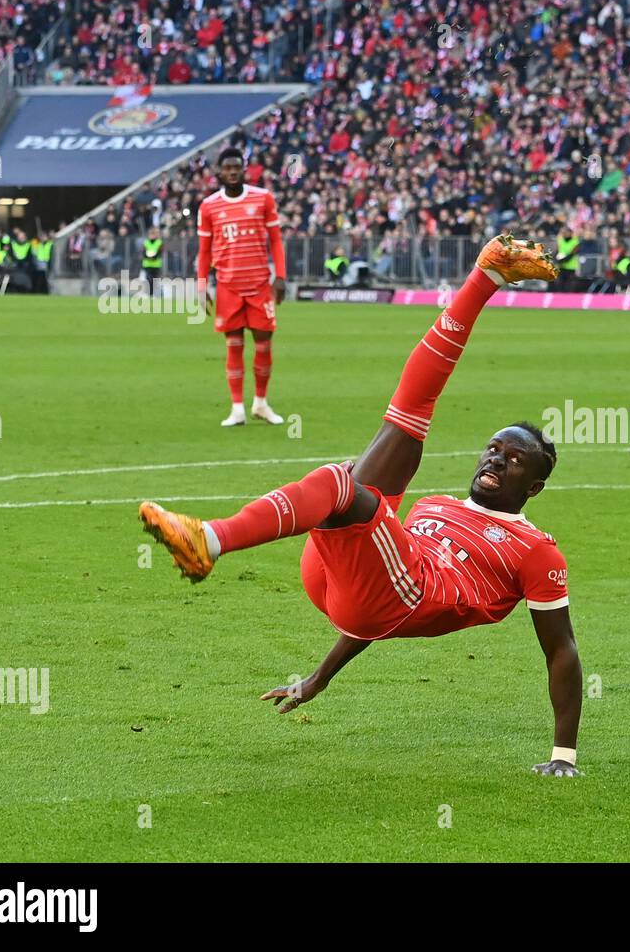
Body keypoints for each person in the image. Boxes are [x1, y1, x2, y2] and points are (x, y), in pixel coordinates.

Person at [140, 235, 583, 776]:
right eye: (493, 449)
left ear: (534, 486)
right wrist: (319, 677)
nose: (495, 461)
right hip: (337, 581)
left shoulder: (536, 550)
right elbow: (376, 578)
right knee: (407, 419)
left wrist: (563, 756)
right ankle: (484, 278)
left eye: (514, 460)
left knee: (341, 481)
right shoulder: (435, 505)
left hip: (409, 594)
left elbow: (560, 649)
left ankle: (208, 540)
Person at [197, 147, 288, 427]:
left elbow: (275, 239)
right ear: (219, 172)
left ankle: (260, 403)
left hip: (260, 284)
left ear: (244, 169)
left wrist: (280, 275)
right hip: (228, 285)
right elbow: (204, 250)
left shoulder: (262, 198)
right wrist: (202, 285)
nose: (233, 172)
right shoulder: (209, 206)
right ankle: (237, 408)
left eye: (237, 167)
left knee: (263, 343)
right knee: (233, 345)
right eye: (227, 168)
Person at [141, 226, 164, 293]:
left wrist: (153, 257)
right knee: (148, 279)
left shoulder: (159, 242)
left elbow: (160, 252)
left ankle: (153, 293)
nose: (152, 235)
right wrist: (148, 257)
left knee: (155, 280)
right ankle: (149, 293)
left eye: (153, 234)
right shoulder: (146, 242)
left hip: (156, 264)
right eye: (150, 234)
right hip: (147, 264)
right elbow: (143, 252)